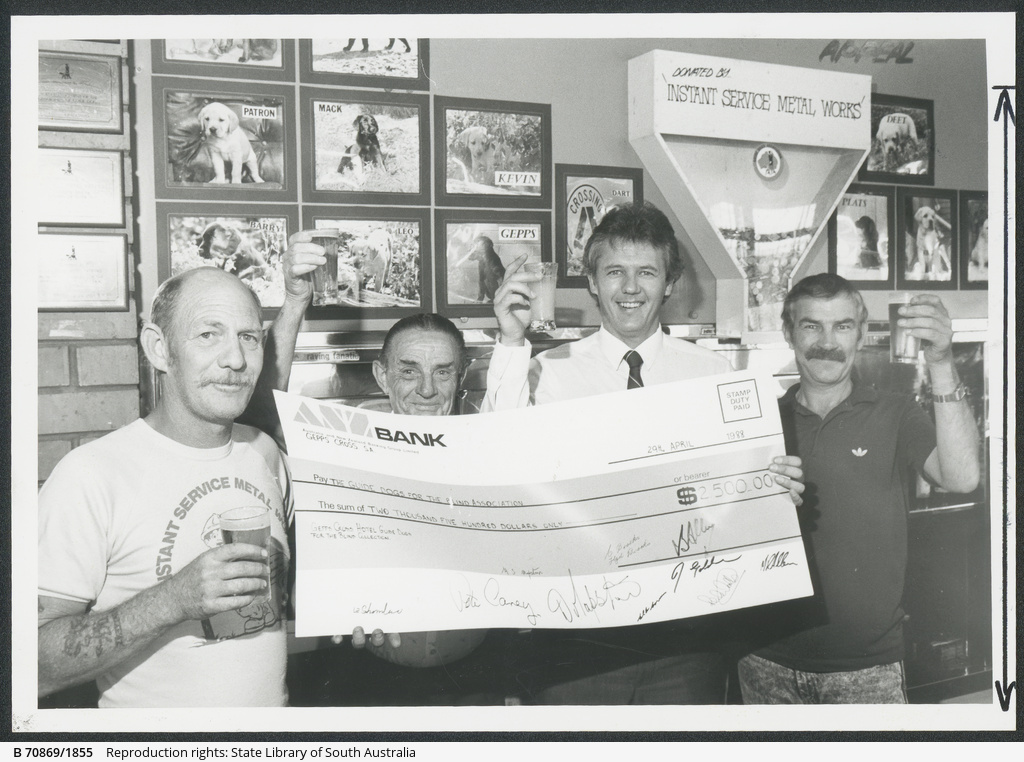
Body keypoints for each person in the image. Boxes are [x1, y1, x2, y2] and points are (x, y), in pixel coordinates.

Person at [481, 201, 806, 705]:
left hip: (685, 643)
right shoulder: (545, 370)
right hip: (576, 637)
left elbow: (736, 505)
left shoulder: (715, 375)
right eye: (615, 272)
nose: (630, 289)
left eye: (646, 273)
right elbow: (495, 464)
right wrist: (510, 338)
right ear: (591, 281)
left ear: (669, 282)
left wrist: (774, 491)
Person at [253, 236, 499, 704]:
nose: (427, 390)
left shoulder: (486, 451)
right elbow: (266, 418)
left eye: (443, 372)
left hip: (474, 678)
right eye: (409, 372)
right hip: (366, 672)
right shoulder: (346, 445)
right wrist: (294, 303)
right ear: (383, 376)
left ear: (461, 375)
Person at [37, 268, 292, 707]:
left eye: (248, 338)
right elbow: (29, 666)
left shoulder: (264, 453)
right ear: (160, 349)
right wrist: (173, 600)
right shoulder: (91, 474)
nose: (235, 359)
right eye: (209, 335)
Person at [737, 273, 980, 704]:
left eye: (842, 326)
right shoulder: (757, 423)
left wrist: (941, 361)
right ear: (789, 333)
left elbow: (961, 477)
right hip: (764, 661)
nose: (827, 341)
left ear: (862, 333)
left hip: (867, 671)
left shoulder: (896, 411)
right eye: (811, 325)